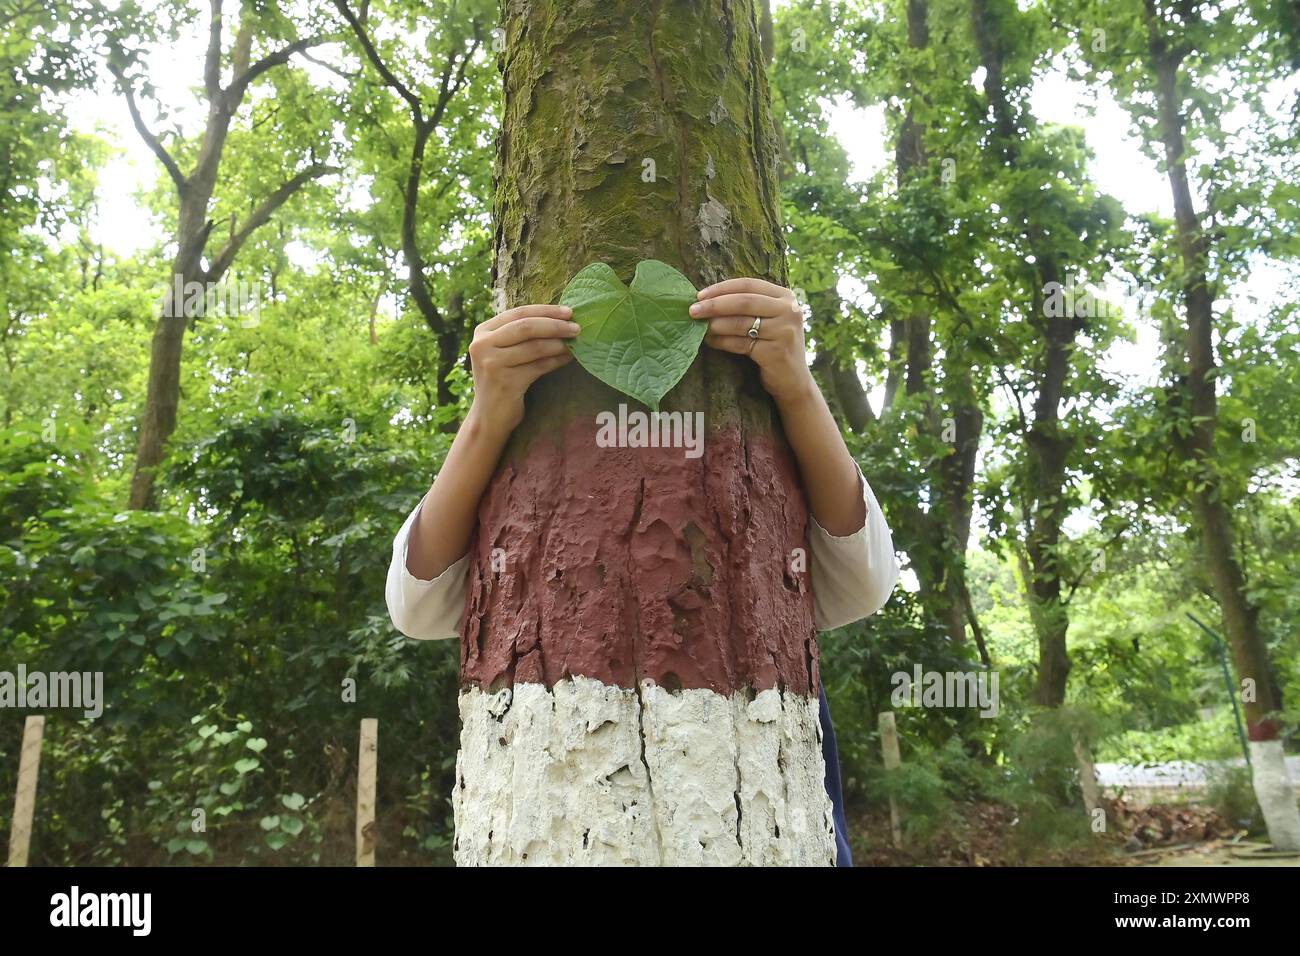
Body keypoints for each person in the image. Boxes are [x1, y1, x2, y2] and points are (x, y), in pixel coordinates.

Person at [386, 277, 898, 865]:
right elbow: (417, 601)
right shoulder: (516, 469)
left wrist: (796, 388)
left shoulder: (764, 471)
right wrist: (487, 419)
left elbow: (863, 580)